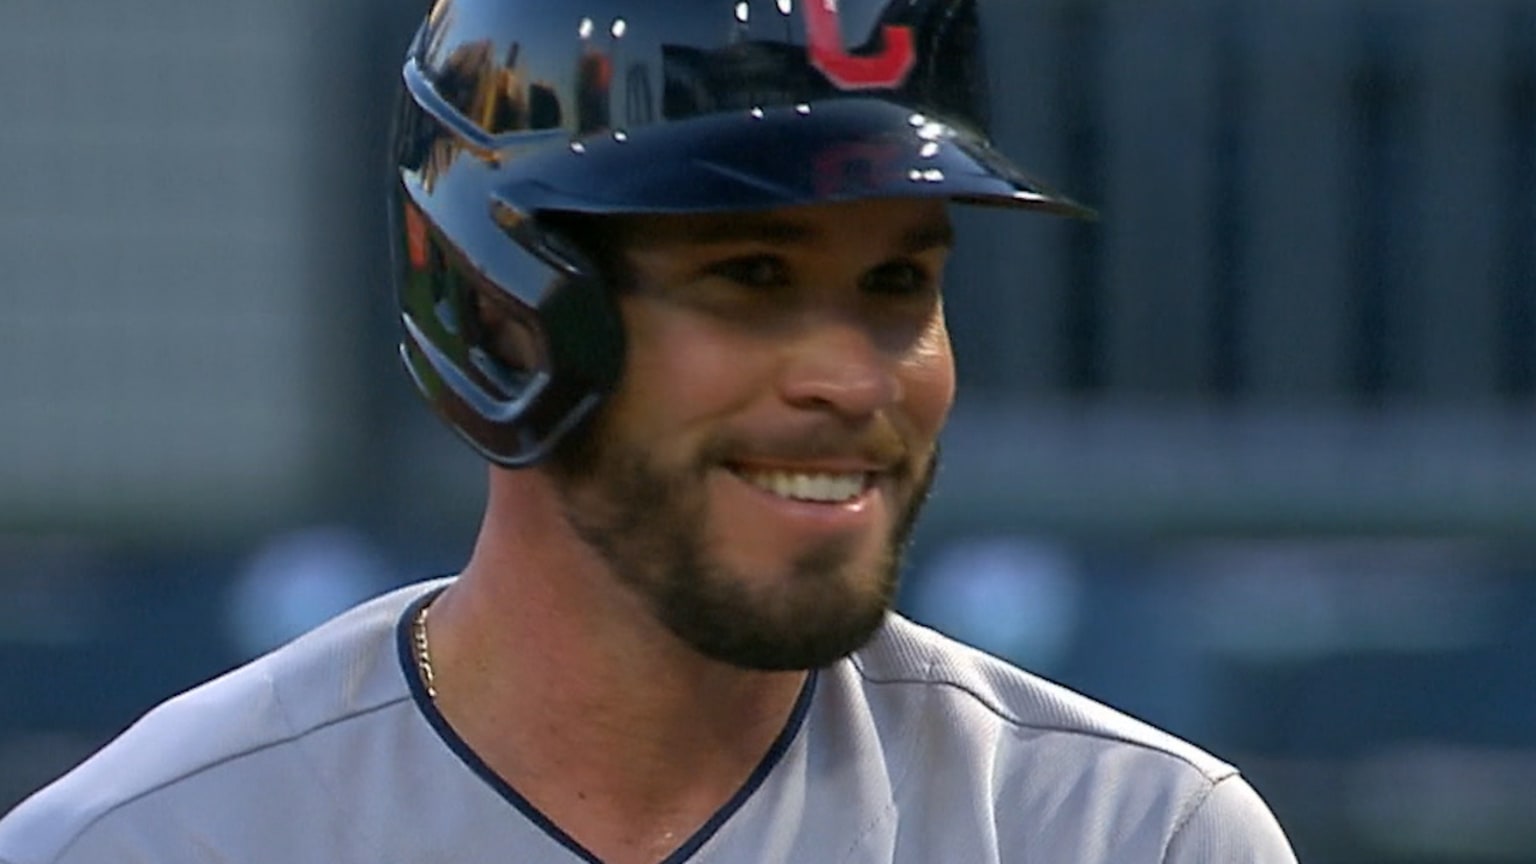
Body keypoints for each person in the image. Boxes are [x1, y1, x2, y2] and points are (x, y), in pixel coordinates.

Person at [0, 1, 1300, 862]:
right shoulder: (159, 842)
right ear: (502, 310)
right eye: (750, 277)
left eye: (898, 285)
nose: (854, 382)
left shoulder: (1126, 838)